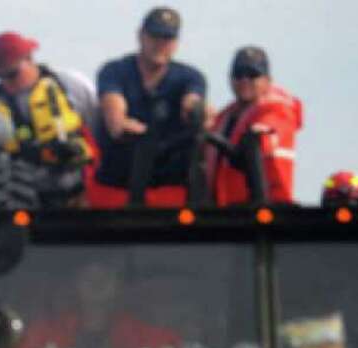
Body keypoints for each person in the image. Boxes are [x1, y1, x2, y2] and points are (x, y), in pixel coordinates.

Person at [89, 7, 207, 208]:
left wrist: (195, 111)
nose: (160, 44)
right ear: (141, 36)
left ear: (176, 43)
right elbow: (114, 112)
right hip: (116, 188)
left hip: (169, 190)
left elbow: (193, 100)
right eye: (155, 36)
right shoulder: (115, 71)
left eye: (167, 39)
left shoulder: (190, 77)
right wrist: (121, 124)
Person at [0, 32, 99, 204]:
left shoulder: (72, 86)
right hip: (24, 201)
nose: (7, 82)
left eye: (12, 74)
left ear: (30, 59)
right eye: (1, 77)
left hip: (80, 193)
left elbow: (100, 130)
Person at [15, 257, 182, 348]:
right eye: (88, 276)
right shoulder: (42, 335)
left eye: (105, 276)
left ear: (120, 286)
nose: (96, 282)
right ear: (75, 283)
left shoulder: (152, 338)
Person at [205, 46, 303, 206]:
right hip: (227, 211)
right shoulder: (223, 118)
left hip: (270, 210)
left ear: (267, 80)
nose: (245, 80)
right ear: (230, 78)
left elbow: (268, 134)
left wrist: (258, 135)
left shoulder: (278, 109)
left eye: (253, 74)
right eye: (239, 74)